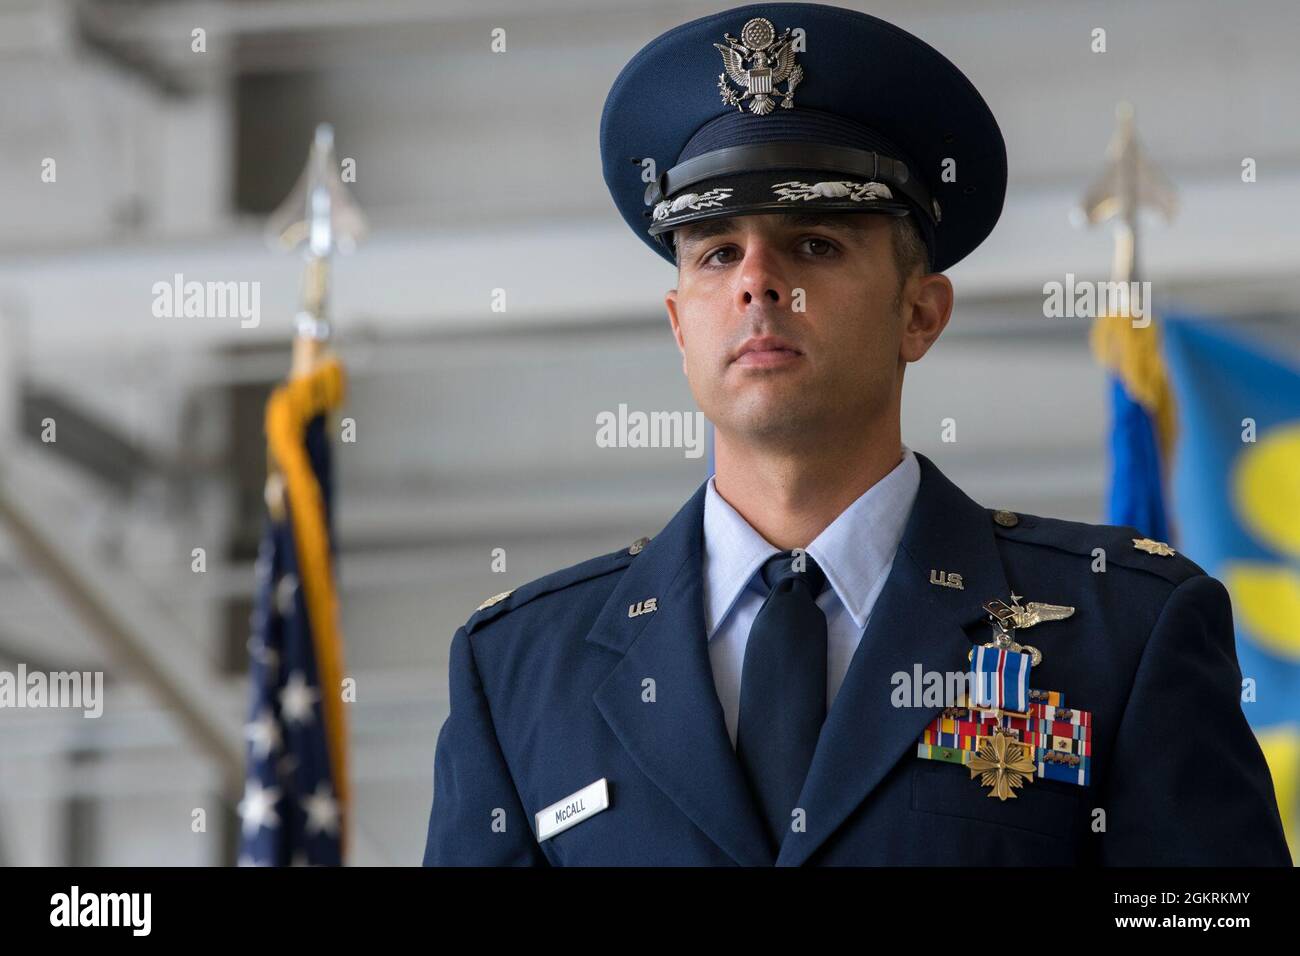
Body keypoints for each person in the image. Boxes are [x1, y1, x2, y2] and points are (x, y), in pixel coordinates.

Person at [422, 2, 1290, 866]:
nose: (758, 283)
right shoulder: (520, 671)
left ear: (920, 313)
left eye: (814, 245)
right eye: (718, 253)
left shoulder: (1124, 628)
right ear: (681, 326)